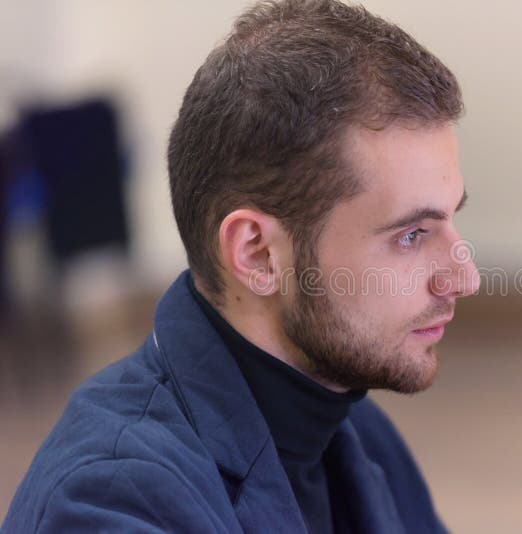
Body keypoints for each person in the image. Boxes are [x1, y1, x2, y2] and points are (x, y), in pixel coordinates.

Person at [2, 0, 479, 531]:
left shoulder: (356, 430)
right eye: (411, 235)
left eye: (449, 221)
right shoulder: (111, 504)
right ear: (257, 253)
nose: (465, 277)